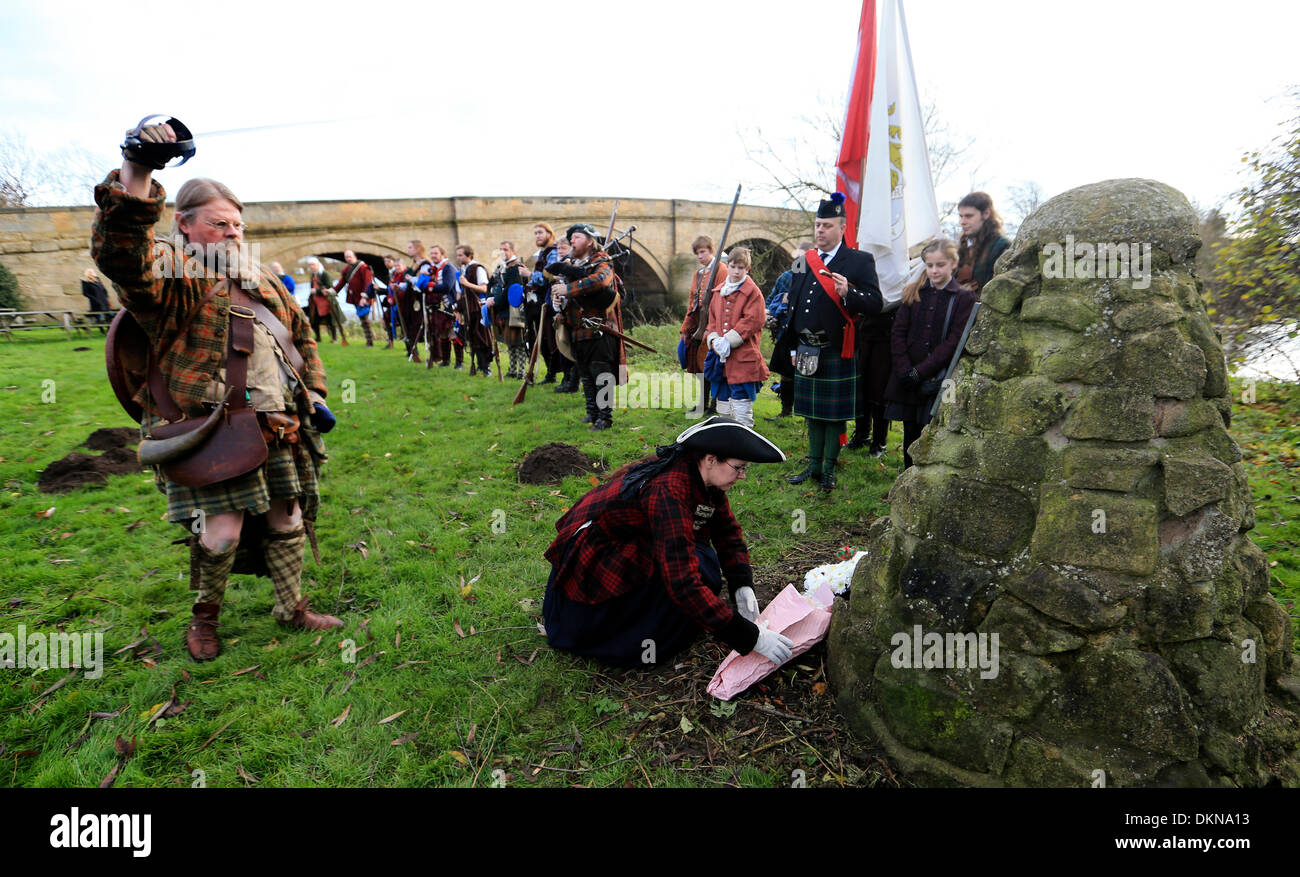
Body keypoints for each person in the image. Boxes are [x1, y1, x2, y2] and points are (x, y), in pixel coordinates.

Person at [92, 119, 343, 662]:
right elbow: (122, 256)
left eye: (238, 225)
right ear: (183, 225)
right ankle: (204, 619)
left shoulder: (264, 280)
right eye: (220, 224)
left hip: (280, 421)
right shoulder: (175, 274)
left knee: (288, 516)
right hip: (211, 426)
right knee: (221, 533)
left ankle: (291, 606)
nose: (233, 234)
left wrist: (316, 392)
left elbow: (302, 339)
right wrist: (137, 169)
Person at [543, 416, 793, 668]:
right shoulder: (669, 490)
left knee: (703, 561)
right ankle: (634, 633)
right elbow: (683, 583)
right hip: (600, 558)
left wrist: (741, 584)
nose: (742, 476)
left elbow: (725, 529)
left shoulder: (704, 477)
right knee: (695, 569)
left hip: (636, 538)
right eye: (738, 467)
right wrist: (751, 637)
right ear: (710, 459)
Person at [772, 193, 883, 492]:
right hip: (806, 348)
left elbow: (875, 303)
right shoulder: (802, 262)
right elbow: (793, 305)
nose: (820, 230)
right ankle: (812, 466)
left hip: (837, 349)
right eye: (818, 225)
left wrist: (849, 293)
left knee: (833, 416)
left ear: (842, 228)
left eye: (827, 226)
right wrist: (793, 347)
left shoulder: (859, 260)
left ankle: (828, 470)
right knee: (811, 413)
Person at [883, 238, 975, 469]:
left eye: (940, 265)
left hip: (937, 377)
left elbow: (954, 341)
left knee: (931, 431)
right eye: (930, 265)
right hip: (907, 377)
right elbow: (898, 333)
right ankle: (906, 478)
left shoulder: (963, 298)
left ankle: (925, 480)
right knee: (909, 432)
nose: (934, 270)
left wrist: (921, 372)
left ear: (953, 264)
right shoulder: (914, 292)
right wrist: (905, 369)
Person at [550, 223, 620, 431]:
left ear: (590, 241)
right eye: (571, 238)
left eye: (577, 237)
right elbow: (567, 297)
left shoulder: (603, 261)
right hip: (576, 328)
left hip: (599, 327)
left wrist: (568, 289)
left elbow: (600, 281)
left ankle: (605, 418)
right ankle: (592, 413)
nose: (572, 241)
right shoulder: (570, 264)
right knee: (585, 374)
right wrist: (559, 300)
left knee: (601, 374)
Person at [704, 246, 768, 428]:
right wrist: (715, 339)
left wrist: (729, 339)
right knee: (723, 402)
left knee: (741, 401)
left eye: (741, 268)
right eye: (733, 266)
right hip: (721, 357)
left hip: (743, 356)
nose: (736, 271)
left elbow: (753, 319)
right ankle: (726, 439)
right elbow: (712, 320)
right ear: (728, 266)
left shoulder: (753, 292)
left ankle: (744, 440)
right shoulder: (719, 291)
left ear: (747, 269)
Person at [679, 235, 726, 414]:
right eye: (697, 253)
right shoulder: (699, 274)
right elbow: (693, 303)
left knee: (714, 367)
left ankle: (714, 405)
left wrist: (711, 328)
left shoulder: (721, 270)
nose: (700, 256)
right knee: (699, 367)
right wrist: (685, 328)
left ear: (711, 250)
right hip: (698, 324)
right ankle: (701, 404)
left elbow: (720, 301)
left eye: (703, 252)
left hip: (715, 325)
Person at [763, 243, 810, 420]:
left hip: (806, 333)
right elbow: (769, 301)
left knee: (807, 374)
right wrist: (771, 316)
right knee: (786, 373)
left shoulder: (815, 278)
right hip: (785, 332)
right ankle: (785, 411)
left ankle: (808, 416)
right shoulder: (785, 278)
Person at [528, 222, 565, 385]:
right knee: (544, 339)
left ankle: (561, 375)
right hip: (541, 302)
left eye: (540, 232)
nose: (537, 236)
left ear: (549, 234)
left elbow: (547, 277)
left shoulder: (552, 252)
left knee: (554, 339)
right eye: (535, 233)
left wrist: (529, 274)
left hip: (552, 301)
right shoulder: (542, 253)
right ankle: (551, 373)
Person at [956, 192, 1011, 296]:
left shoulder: (1002, 246)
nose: (962, 222)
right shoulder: (965, 246)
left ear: (986, 214)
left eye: (968, 216)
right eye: (961, 216)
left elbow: (1001, 290)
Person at [455, 244, 493, 376]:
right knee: (473, 338)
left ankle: (486, 368)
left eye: (460, 255)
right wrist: (459, 310)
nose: (458, 257)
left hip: (479, 308)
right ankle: (479, 366)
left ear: (469, 255)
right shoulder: (463, 270)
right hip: (468, 309)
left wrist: (466, 283)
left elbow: (484, 288)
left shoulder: (478, 269)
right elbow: (462, 293)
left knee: (482, 338)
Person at [495, 241, 529, 379]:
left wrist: (497, 302)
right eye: (501, 249)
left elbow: (511, 289)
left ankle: (521, 370)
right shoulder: (501, 267)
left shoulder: (516, 267)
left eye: (506, 249)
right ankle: (512, 369)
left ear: (513, 251)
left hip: (514, 309)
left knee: (518, 342)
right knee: (510, 342)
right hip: (504, 310)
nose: (503, 252)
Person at [425, 245, 459, 367]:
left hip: (451, 305)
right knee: (443, 334)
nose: (433, 255)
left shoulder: (448, 267)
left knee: (453, 333)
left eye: (436, 253)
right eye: (432, 253)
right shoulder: (436, 269)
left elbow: (447, 287)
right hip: (441, 306)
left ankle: (459, 363)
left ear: (442, 254)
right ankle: (446, 361)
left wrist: (430, 286)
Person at [334, 250, 375, 347]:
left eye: (350, 256)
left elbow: (368, 283)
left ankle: (370, 342)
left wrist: (364, 297)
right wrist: (332, 291)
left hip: (364, 299)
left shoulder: (363, 268)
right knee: (362, 319)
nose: (348, 258)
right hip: (355, 298)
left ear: (355, 256)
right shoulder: (348, 269)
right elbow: (341, 283)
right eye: (346, 257)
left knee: (364, 320)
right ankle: (369, 341)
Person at [307, 258, 341, 344]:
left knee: (331, 320)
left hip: (327, 301)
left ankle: (334, 338)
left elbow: (330, 287)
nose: (311, 267)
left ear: (318, 264)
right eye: (310, 265)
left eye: (313, 265)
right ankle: (318, 338)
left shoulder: (325, 274)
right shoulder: (313, 275)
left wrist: (317, 291)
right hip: (316, 302)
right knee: (314, 320)